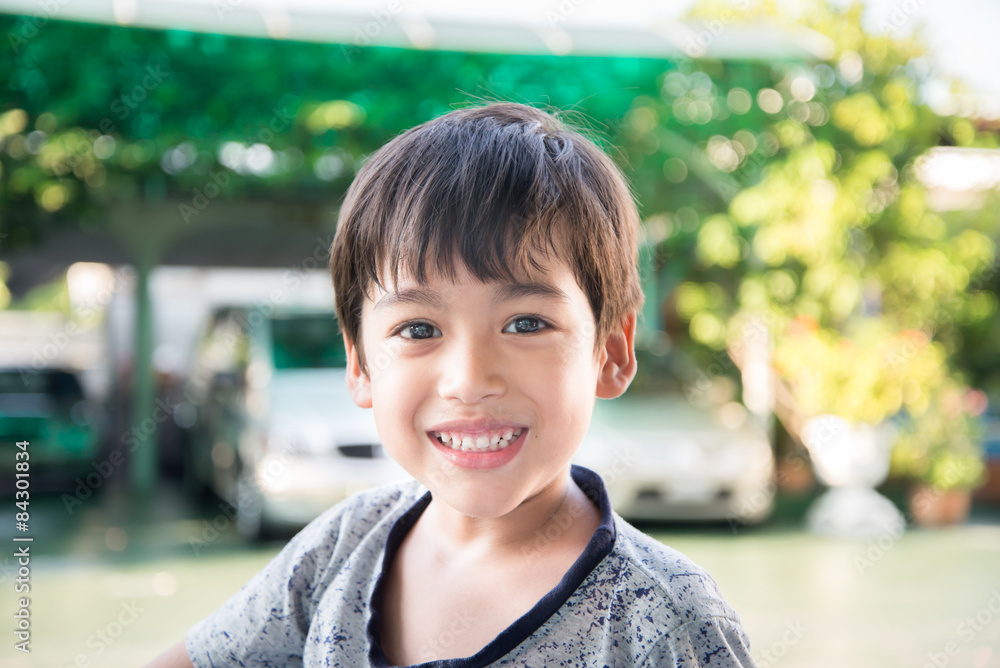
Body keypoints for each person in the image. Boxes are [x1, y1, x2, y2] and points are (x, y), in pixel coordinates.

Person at [147, 102, 756, 667]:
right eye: (417, 328)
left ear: (612, 352)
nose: (468, 381)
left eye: (526, 323)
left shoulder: (666, 620)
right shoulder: (342, 549)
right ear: (359, 363)